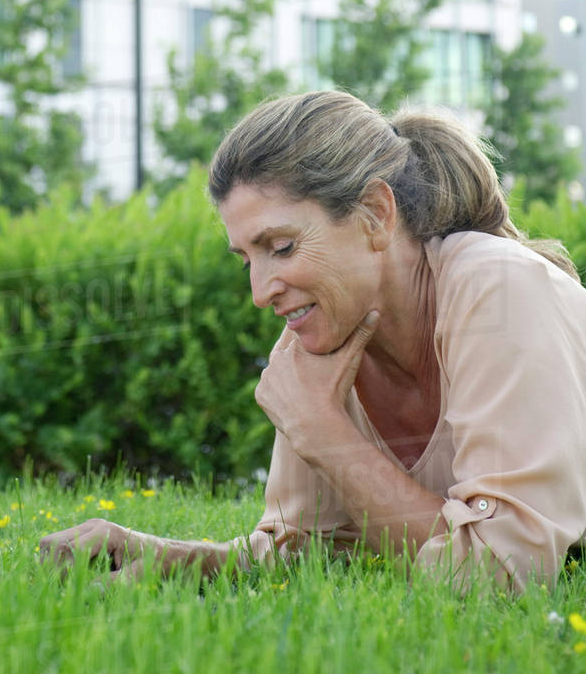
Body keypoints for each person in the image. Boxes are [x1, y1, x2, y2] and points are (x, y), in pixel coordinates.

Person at [40, 91, 586, 591]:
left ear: (375, 214)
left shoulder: (500, 289)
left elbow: (501, 576)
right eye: (247, 260)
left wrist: (324, 432)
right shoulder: (321, 340)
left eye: (281, 247)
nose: (260, 293)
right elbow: (304, 550)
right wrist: (165, 556)